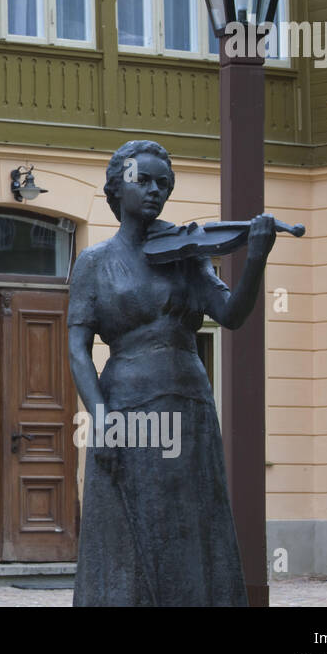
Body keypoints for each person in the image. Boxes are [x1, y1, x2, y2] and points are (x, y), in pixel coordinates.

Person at [67, 139, 277, 606]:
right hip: (126, 406)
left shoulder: (186, 254)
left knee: (190, 523)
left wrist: (256, 258)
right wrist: (102, 420)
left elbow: (231, 314)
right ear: (117, 186)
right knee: (128, 529)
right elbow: (78, 348)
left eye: (164, 184)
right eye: (144, 181)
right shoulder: (94, 263)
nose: (155, 192)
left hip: (188, 403)